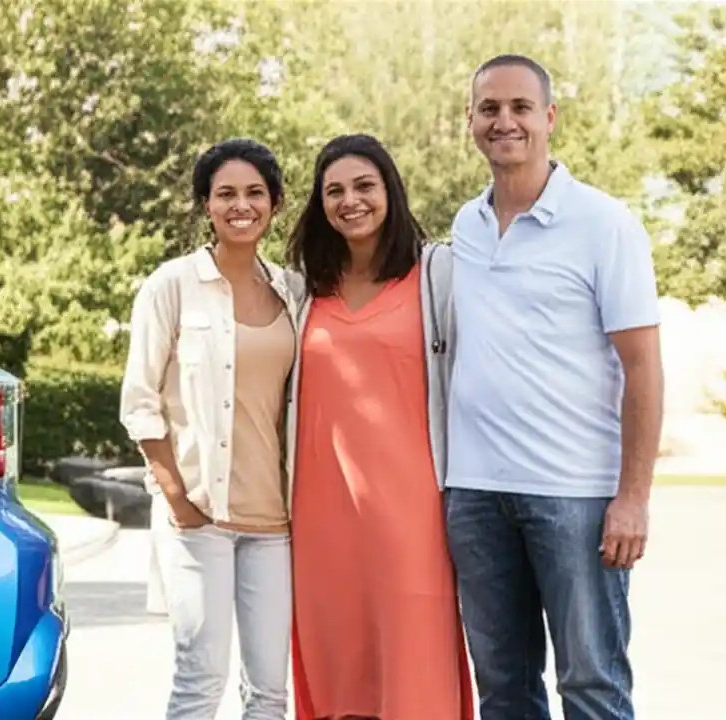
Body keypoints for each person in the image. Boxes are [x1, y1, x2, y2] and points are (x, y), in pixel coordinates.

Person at [444, 54, 664, 720]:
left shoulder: (605, 224)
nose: (504, 121)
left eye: (519, 108)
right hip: (476, 495)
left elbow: (644, 368)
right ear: (471, 121)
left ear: (549, 118)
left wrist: (632, 497)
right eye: (489, 109)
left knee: (592, 684)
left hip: (575, 497)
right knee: (504, 689)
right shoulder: (466, 226)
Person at [285, 133, 474, 720]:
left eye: (364, 185)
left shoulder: (436, 276)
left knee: (415, 662)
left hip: (412, 509)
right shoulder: (301, 289)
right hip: (319, 513)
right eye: (334, 190)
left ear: (389, 190)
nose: (350, 201)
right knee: (337, 661)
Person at [119, 138, 302, 719]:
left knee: (270, 689)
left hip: (275, 521)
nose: (240, 205)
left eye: (254, 193)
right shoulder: (171, 285)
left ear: (274, 203)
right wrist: (177, 498)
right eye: (225, 194)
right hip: (200, 516)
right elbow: (140, 401)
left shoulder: (293, 291)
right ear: (206, 205)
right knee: (201, 681)